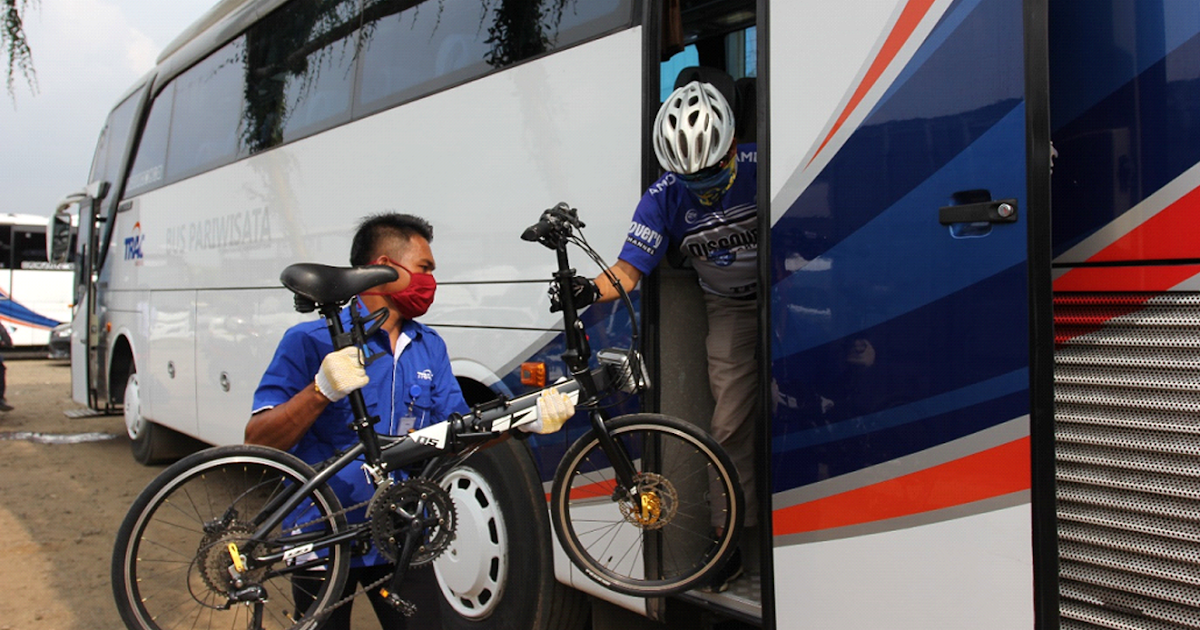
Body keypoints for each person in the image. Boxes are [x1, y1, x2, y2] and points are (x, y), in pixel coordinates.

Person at [553, 80, 758, 593]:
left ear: (733, 146)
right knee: (729, 424)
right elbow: (625, 272)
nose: (705, 187)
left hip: (791, 292)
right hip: (729, 307)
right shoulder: (663, 198)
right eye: (691, 178)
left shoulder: (763, 163)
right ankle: (728, 540)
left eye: (713, 172)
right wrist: (583, 288)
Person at [246, 212, 468, 629]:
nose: (430, 281)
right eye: (424, 268)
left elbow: (455, 431)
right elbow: (259, 439)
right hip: (322, 536)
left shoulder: (429, 346)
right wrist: (320, 391)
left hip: (401, 531)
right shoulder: (308, 341)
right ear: (386, 266)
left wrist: (522, 423)